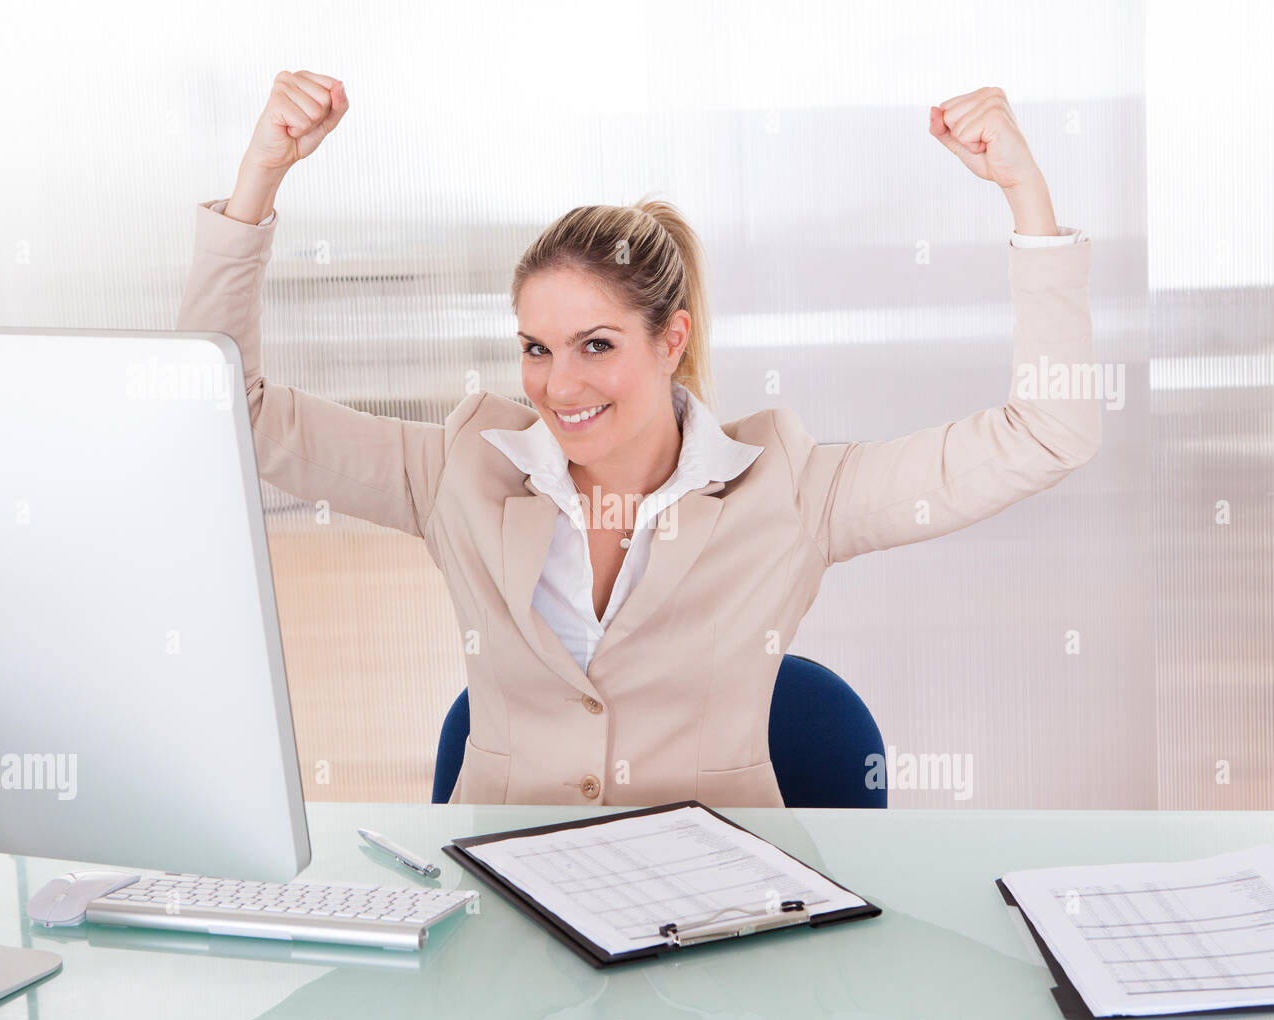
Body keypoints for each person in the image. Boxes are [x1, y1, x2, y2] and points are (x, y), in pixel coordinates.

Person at [177, 72, 1100, 808]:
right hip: (508, 917)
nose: (558, 384)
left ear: (672, 340)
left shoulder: (794, 494)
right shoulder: (458, 472)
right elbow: (229, 411)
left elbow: (1047, 431)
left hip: (716, 920)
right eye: (536, 348)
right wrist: (260, 178)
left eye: (596, 346)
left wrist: (1027, 195)